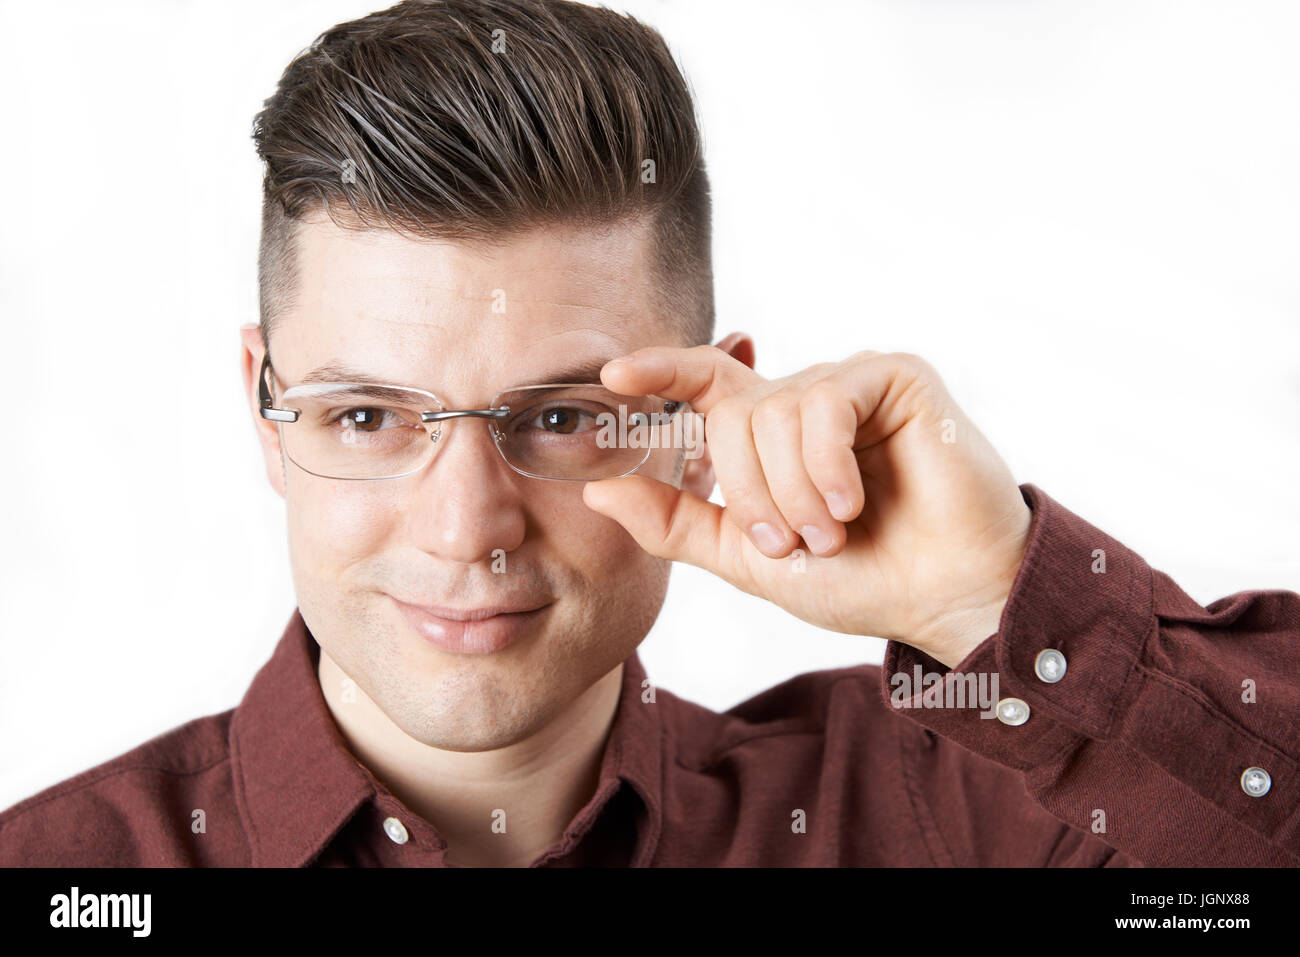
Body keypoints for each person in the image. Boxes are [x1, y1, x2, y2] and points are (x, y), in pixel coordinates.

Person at [1, 0, 1294, 867]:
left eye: (560, 416)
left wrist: (996, 597)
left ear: (700, 414)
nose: (468, 525)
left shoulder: (945, 810)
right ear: (263, 408)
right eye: (367, 415)